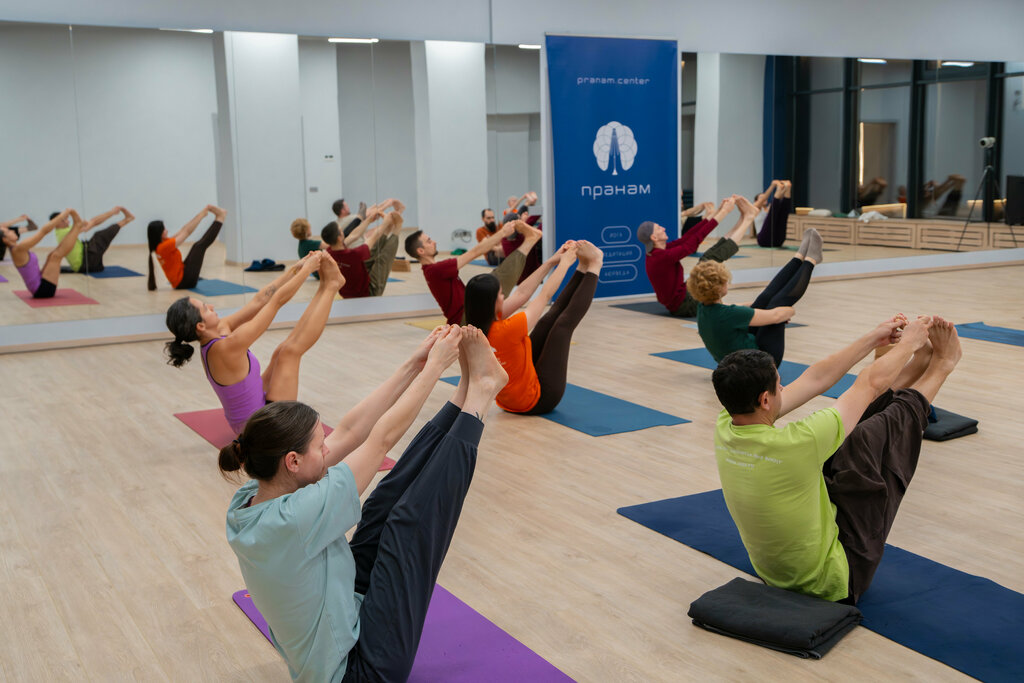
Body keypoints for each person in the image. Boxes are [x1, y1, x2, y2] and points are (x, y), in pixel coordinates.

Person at [221, 324, 509, 681]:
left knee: (379, 505)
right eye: (318, 445)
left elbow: (349, 432)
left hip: (347, 606)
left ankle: (464, 395)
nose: (327, 446)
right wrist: (435, 369)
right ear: (292, 461)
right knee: (408, 526)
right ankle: (481, 394)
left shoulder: (249, 498)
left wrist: (415, 364)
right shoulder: (295, 517)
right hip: (361, 671)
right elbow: (380, 440)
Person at [710, 314, 962, 604]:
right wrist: (908, 343)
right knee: (879, 430)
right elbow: (867, 384)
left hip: (775, 575)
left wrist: (873, 338)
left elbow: (815, 378)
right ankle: (942, 365)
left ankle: (919, 366)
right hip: (837, 581)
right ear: (765, 400)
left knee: (853, 427)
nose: (784, 388)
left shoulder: (726, 426)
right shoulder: (798, 443)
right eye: (779, 385)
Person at [163, 251, 340, 434]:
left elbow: (260, 300)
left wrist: (296, 269)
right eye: (206, 308)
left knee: (280, 352)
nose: (212, 307)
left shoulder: (217, 334)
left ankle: (325, 286)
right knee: (290, 352)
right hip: (260, 431)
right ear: (200, 326)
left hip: (255, 416)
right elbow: (276, 302)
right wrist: (308, 270)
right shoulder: (226, 348)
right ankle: (331, 286)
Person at [464, 240, 604, 415]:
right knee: (561, 328)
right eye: (501, 294)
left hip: (509, 401)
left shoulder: (476, 328)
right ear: (492, 303)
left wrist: (552, 261)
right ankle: (595, 264)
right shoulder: (506, 330)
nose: (503, 296)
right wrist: (565, 263)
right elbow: (544, 295)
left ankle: (583, 267)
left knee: (547, 322)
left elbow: (522, 293)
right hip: (540, 400)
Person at [689, 228, 823, 366]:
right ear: (719, 288)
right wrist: (788, 311)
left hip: (739, 361)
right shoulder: (729, 315)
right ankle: (811, 260)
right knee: (778, 303)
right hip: (760, 365)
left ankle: (799, 257)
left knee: (764, 298)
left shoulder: (703, 308)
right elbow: (776, 316)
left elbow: (732, 308)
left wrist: (762, 304)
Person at [405, 218, 541, 325]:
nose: (434, 242)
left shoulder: (432, 271)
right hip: (467, 318)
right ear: (421, 251)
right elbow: (475, 252)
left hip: (468, 314)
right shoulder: (436, 270)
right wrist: (503, 233)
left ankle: (530, 240)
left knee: (494, 280)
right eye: (429, 241)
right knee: (496, 281)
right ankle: (530, 240)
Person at [636, 195, 753, 317]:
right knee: (708, 261)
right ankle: (748, 219)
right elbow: (691, 245)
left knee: (708, 258)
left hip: (684, 298)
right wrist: (724, 212)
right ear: (654, 238)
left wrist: (719, 211)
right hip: (684, 306)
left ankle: (744, 218)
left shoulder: (660, 251)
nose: (663, 228)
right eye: (659, 228)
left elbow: (688, 236)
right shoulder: (659, 257)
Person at [322, 202, 404, 298]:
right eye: (341, 231)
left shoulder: (329, 252)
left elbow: (353, 235)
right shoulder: (353, 254)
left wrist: (369, 220)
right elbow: (373, 238)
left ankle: (387, 230)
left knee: (372, 253)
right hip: (369, 292)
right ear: (339, 238)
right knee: (383, 260)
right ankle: (397, 228)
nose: (343, 233)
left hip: (346, 293)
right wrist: (385, 223)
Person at [1, 209, 86, 299]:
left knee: (52, 255)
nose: (12, 231)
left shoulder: (16, 249)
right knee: (56, 256)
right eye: (8, 231)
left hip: (40, 286)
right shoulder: (18, 249)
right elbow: (43, 232)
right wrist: (62, 215)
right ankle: (77, 226)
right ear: (5, 239)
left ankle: (77, 226)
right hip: (42, 290)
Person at [147, 204, 227, 291]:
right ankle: (220, 218)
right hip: (184, 282)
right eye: (164, 229)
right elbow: (187, 232)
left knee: (197, 246)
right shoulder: (163, 247)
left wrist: (200, 215)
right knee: (199, 247)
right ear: (159, 233)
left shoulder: (162, 245)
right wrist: (201, 215)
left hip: (183, 278)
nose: (166, 230)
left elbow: (184, 229)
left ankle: (220, 217)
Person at [53, 206, 135, 274]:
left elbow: (92, 222)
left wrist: (112, 213)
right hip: (85, 264)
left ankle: (128, 219)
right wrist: (112, 212)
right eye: (65, 219)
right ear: (58, 222)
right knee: (100, 236)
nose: (68, 221)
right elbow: (92, 223)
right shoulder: (66, 231)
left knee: (96, 238)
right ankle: (128, 219)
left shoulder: (60, 231)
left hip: (85, 259)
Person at [753, 179, 792, 248]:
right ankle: (779, 189)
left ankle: (788, 188)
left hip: (778, 241)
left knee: (782, 216)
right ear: (756, 201)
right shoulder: (755, 209)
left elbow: (779, 199)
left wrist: (785, 189)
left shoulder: (769, 207)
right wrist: (772, 186)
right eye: (761, 198)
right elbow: (764, 199)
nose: (765, 199)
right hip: (764, 240)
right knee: (772, 214)